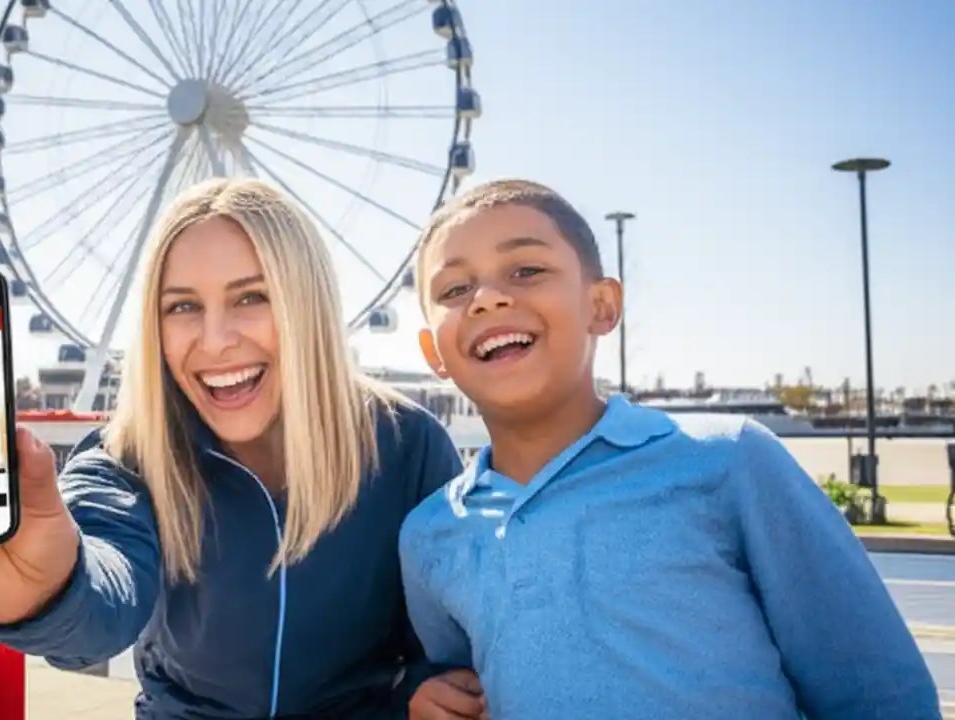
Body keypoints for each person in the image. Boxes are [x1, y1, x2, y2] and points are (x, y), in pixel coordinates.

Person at [0, 178, 491, 719]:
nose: (215, 339)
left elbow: (441, 640)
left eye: (251, 297)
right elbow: (104, 599)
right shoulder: (127, 460)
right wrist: (37, 593)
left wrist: (418, 693)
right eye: (182, 307)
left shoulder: (406, 447)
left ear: (308, 303)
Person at [397, 178, 941, 719]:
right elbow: (454, 677)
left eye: (527, 270)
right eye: (454, 290)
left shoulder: (729, 461)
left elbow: (875, 690)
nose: (488, 298)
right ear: (433, 353)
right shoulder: (429, 535)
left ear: (602, 305)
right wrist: (430, 694)